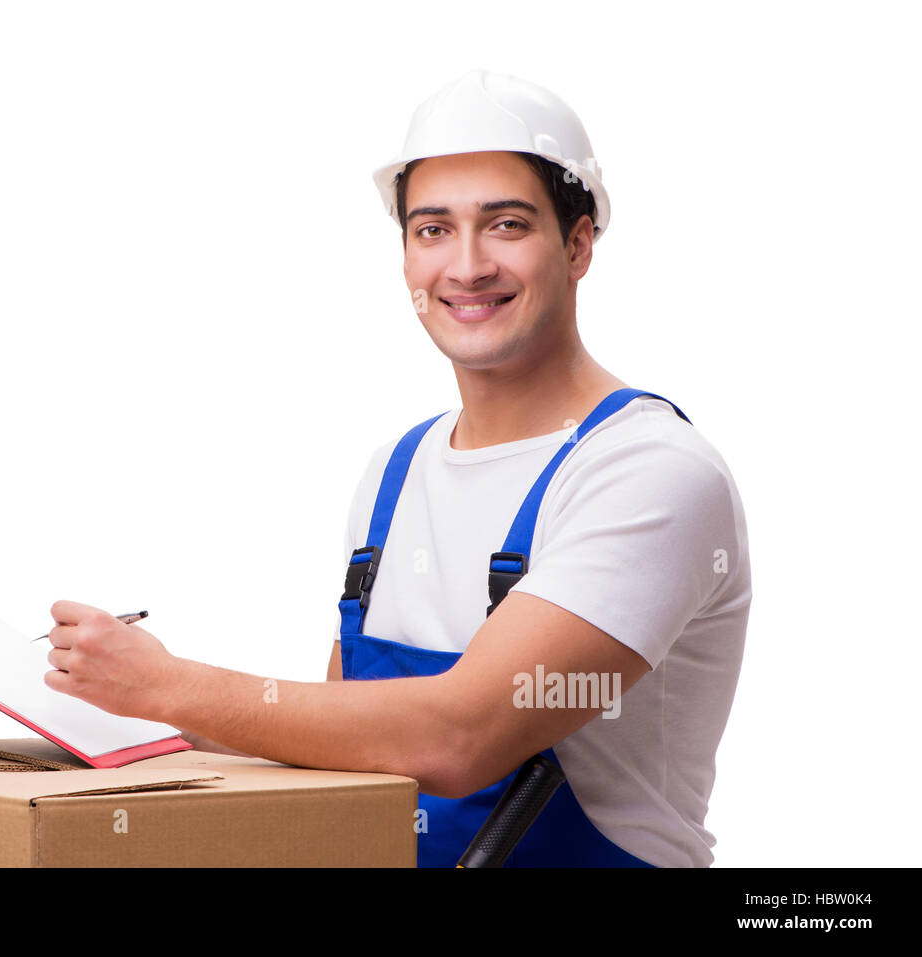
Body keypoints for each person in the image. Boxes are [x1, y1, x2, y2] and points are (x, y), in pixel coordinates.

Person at [43, 70, 751, 868]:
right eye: (432, 229)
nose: (468, 264)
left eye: (507, 224)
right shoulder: (397, 472)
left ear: (579, 243)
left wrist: (173, 686)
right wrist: (129, 698)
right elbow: (346, 735)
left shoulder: (646, 472)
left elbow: (461, 733)